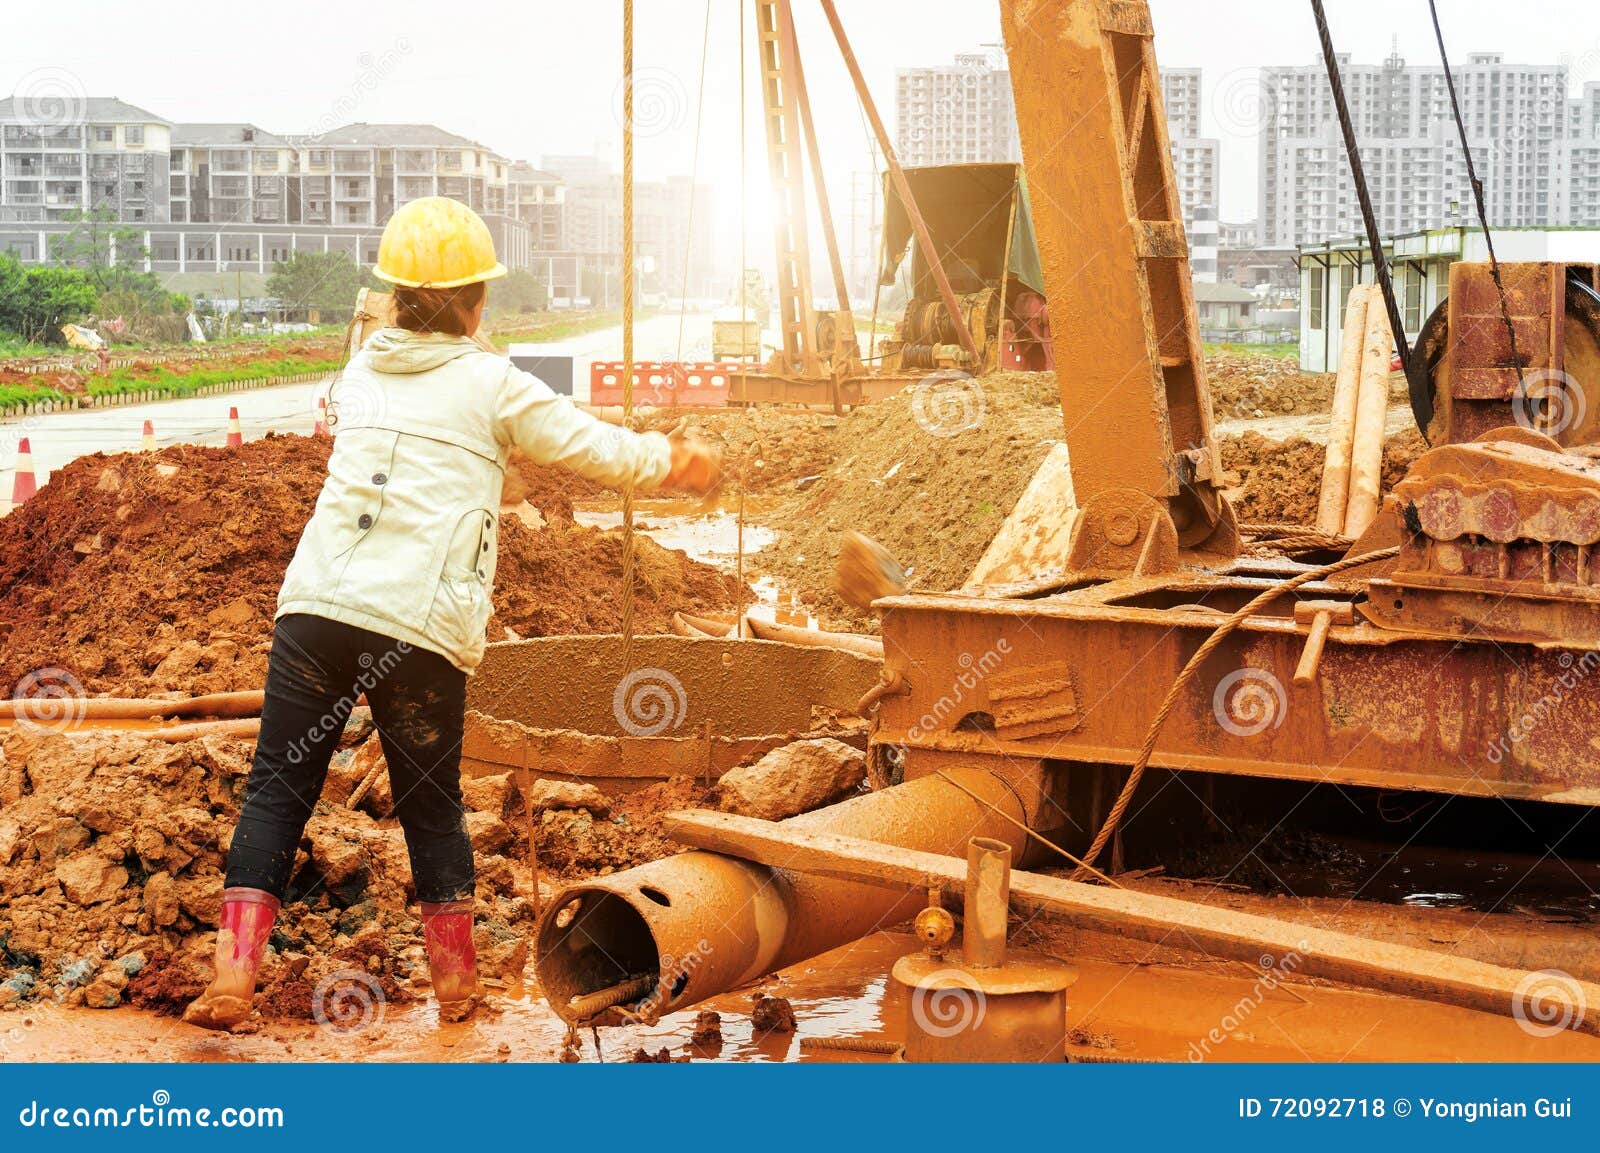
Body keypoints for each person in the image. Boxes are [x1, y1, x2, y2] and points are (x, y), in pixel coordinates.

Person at [184, 197, 719, 1029]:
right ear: (477, 299)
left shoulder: (360, 371)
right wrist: (675, 461)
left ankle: (230, 985)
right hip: (417, 627)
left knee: (277, 790)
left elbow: (399, 364)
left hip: (317, 608)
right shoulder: (492, 383)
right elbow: (592, 447)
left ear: (395, 296)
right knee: (430, 804)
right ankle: (458, 993)